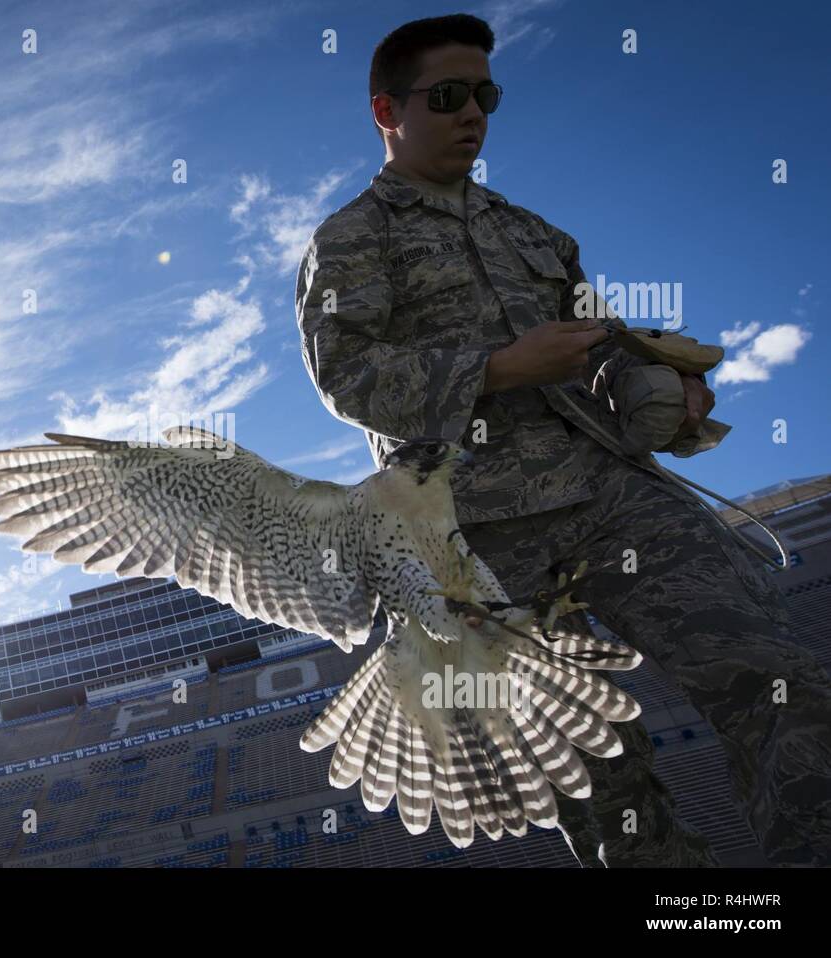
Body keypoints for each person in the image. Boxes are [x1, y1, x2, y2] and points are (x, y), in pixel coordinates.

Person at [295, 12, 831, 866]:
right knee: (598, 785)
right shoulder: (349, 239)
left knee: (781, 683)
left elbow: (599, 344)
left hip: (616, 497)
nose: (473, 112)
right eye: (448, 95)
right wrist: (499, 367)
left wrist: (658, 387)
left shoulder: (535, 234)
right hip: (478, 546)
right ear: (385, 112)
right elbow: (348, 380)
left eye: (485, 95)